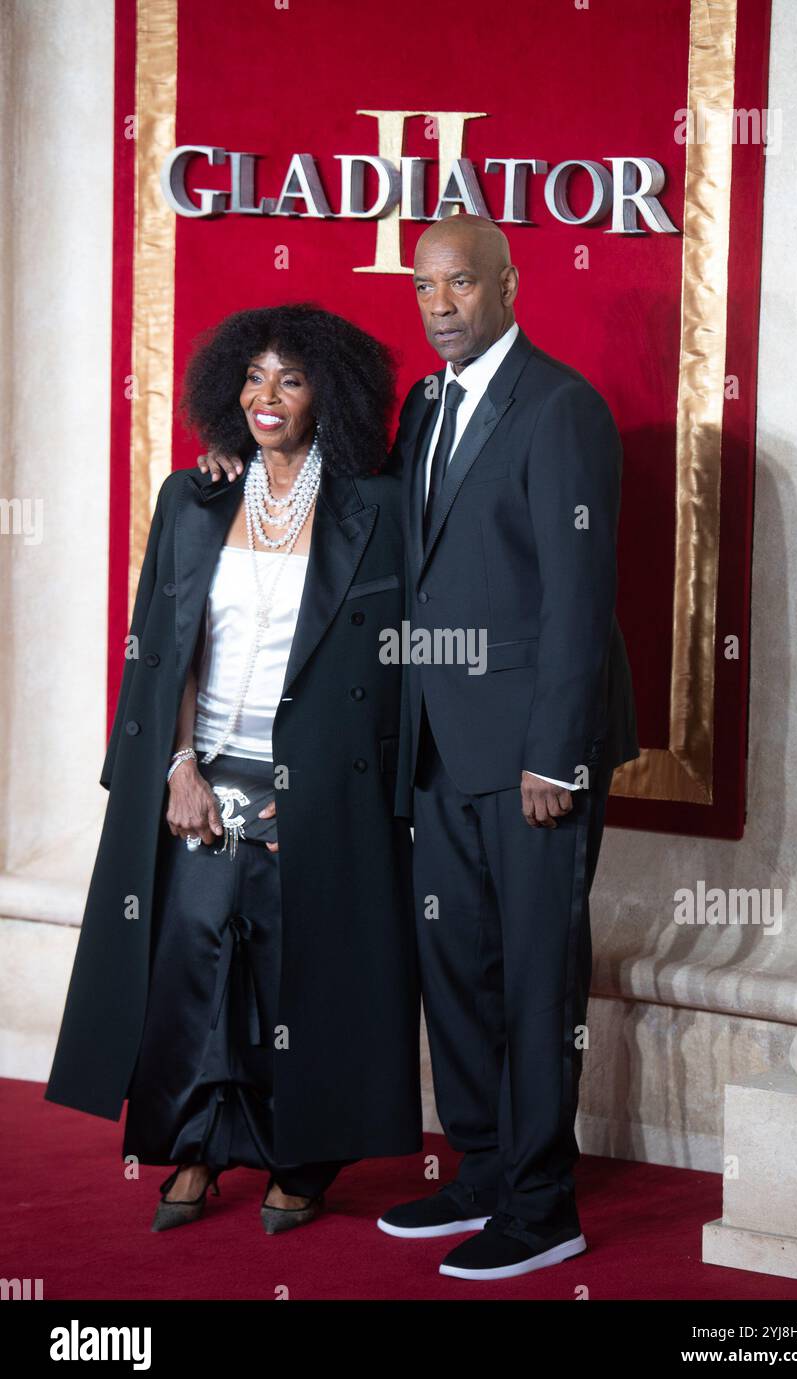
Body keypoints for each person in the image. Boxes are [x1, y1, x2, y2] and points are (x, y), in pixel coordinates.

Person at [45, 303, 422, 1233]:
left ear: (326, 393)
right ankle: (194, 1149)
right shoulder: (195, 495)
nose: (266, 397)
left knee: (299, 979)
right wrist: (179, 768)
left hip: (318, 790)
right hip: (201, 771)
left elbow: (394, 668)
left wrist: (338, 792)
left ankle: (301, 1161)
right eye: (252, 378)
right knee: (191, 969)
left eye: (289, 379)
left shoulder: (374, 508)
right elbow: (167, 650)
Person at [375, 214, 639, 1279]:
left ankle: (543, 1203)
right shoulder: (421, 404)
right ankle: (482, 1163)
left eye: (460, 285)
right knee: (459, 972)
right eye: (425, 288)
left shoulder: (562, 407)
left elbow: (578, 601)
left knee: (535, 976)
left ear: (509, 285)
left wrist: (554, 756)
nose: (440, 305)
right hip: (439, 746)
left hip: (532, 757)